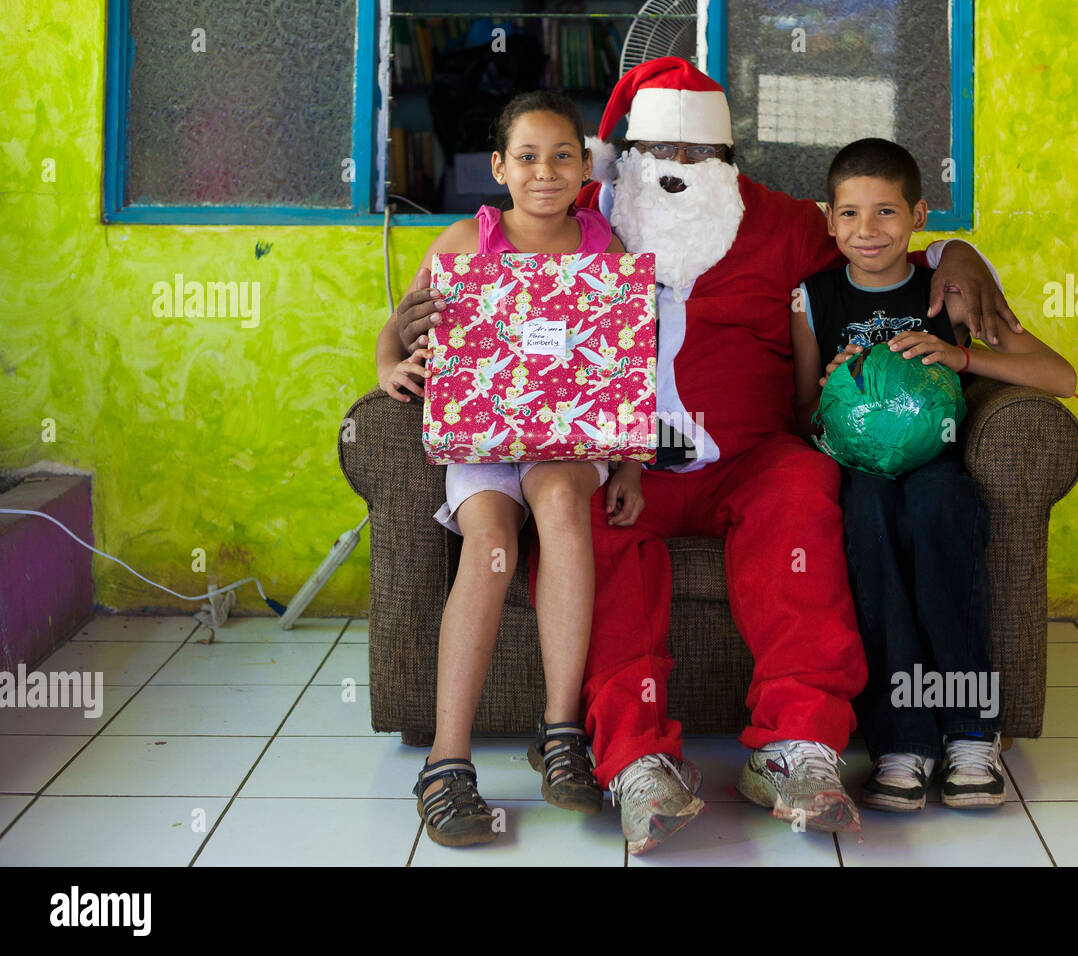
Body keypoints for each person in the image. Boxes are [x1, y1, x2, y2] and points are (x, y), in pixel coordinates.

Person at [393, 58, 1024, 855]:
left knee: (805, 485)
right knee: (591, 523)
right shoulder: (582, 212)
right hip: (625, 462)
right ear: (621, 157)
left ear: (730, 163)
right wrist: (405, 346)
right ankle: (637, 760)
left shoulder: (784, 223)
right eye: (659, 152)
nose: (678, 173)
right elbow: (481, 261)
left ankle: (798, 746)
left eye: (700, 157)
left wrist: (958, 253)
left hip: (749, 456)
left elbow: (876, 249)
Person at [375, 91, 641, 847]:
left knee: (560, 506)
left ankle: (561, 732)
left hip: (567, 442)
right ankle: (445, 761)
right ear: (499, 167)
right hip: (486, 440)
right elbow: (395, 325)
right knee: (490, 552)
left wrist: (630, 466)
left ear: (586, 166)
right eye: (527, 157)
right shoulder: (464, 243)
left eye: (563, 156)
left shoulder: (604, 248)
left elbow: (626, 368)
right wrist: (393, 366)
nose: (546, 171)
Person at [792, 137, 1076, 812]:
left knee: (938, 511)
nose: (868, 231)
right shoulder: (811, 297)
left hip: (937, 462)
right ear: (828, 220)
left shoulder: (947, 290)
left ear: (919, 215)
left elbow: (1058, 376)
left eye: (887, 213)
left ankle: (971, 732)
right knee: (865, 519)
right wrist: (833, 397)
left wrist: (960, 357)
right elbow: (802, 413)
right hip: (857, 467)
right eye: (851, 214)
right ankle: (901, 740)